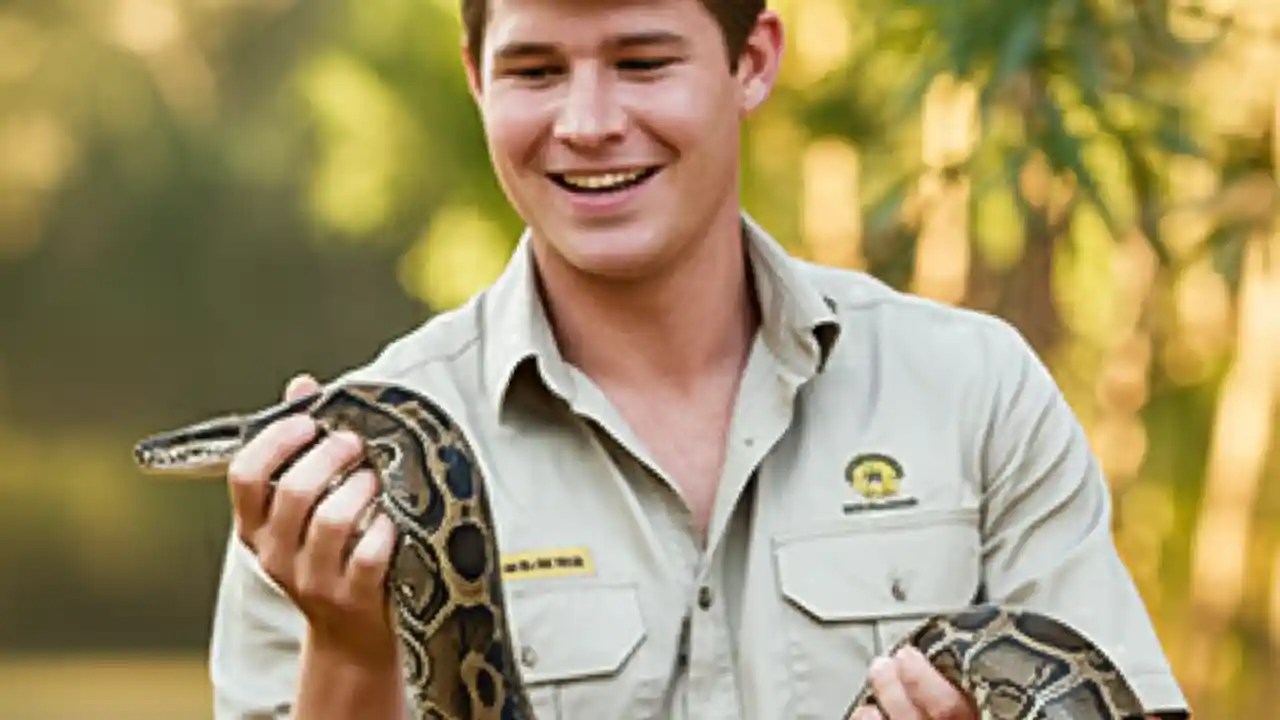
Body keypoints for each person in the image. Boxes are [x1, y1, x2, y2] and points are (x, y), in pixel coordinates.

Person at [209, 0, 1191, 718]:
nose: (587, 122)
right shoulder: (340, 477)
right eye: (535, 70)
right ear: (475, 75)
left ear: (752, 60)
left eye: (641, 62)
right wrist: (349, 648)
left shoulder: (973, 391)